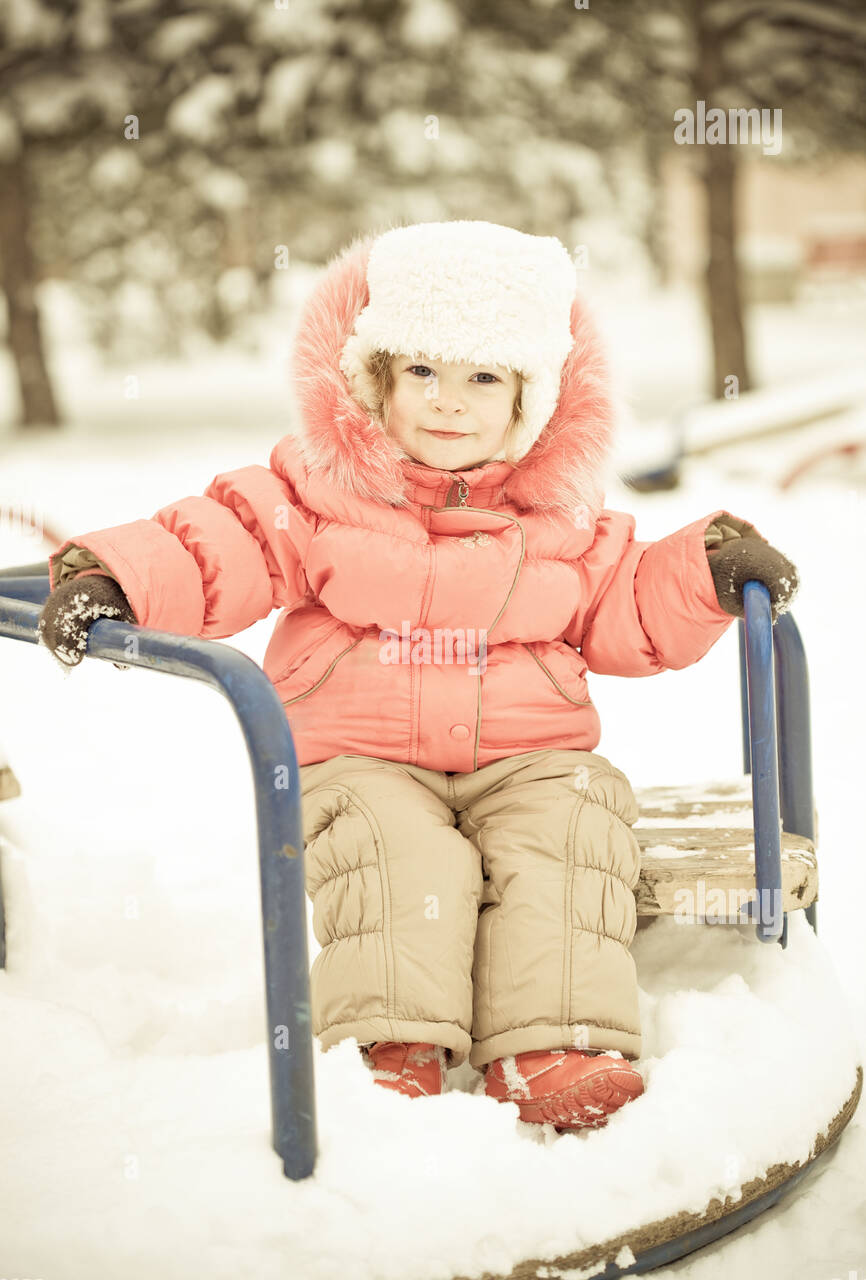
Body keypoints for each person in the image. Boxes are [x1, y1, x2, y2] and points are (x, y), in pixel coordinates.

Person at [38, 220, 799, 1131]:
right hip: (361, 754)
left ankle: (551, 1041)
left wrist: (703, 571)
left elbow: (627, 602)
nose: (448, 403)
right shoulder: (315, 488)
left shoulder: (562, 515)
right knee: (394, 849)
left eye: (483, 377)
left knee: (575, 824)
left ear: (532, 397)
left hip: (526, 752)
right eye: (423, 373)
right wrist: (119, 578)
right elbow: (222, 542)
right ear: (375, 377)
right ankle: (391, 1041)